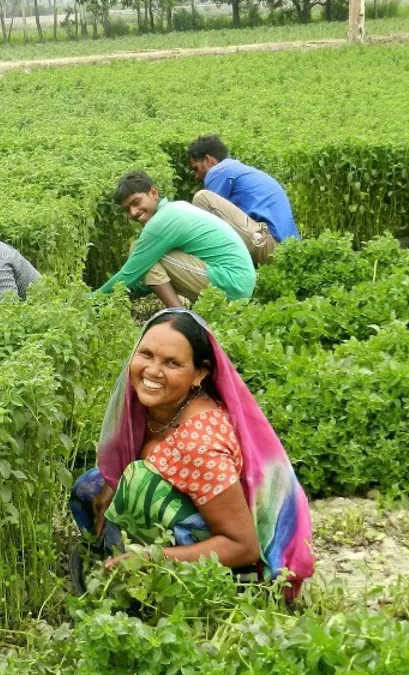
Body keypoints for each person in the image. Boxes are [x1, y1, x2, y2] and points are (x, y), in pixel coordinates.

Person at [68, 309, 314, 599]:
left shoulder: (200, 443)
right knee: (93, 485)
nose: (152, 371)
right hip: (191, 515)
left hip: (231, 568)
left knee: (137, 482)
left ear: (199, 374)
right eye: (146, 354)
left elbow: (243, 546)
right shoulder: (154, 408)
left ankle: (143, 586)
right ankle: (115, 561)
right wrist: (114, 485)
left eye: (172, 363)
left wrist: (152, 558)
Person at [97, 171, 255, 309]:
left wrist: (91, 300)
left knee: (141, 253)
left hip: (232, 284)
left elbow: (129, 274)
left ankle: (180, 316)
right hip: (238, 281)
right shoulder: (176, 207)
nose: (133, 212)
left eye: (136, 203)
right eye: (127, 209)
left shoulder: (161, 222)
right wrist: (127, 294)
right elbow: (146, 278)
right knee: (147, 258)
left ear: (154, 193)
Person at [187, 135, 300, 265]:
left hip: (270, 245)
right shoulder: (237, 169)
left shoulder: (218, 171)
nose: (196, 176)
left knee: (202, 199)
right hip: (287, 249)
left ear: (208, 160)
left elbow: (207, 223)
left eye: (195, 168)